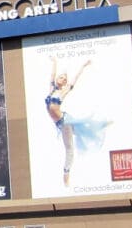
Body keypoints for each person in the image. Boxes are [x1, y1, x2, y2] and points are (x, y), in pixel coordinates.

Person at [45, 57, 109, 186]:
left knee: (69, 147)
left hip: (65, 121)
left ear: (64, 83)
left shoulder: (63, 91)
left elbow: (74, 79)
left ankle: (66, 173)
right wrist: (55, 62)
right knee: (82, 132)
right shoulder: (52, 89)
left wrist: (83, 66)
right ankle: (99, 126)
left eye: (64, 79)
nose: (62, 79)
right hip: (59, 123)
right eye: (61, 77)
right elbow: (52, 75)